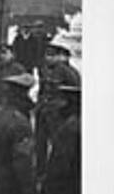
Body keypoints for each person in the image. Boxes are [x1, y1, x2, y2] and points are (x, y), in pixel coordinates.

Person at [35, 39, 82, 178]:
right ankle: (40, 171)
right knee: (39, 143)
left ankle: (57, 172)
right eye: (47, 55)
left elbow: (75, 94)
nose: (48, 58)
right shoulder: (43, 69)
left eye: (51, 55)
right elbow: (42, 89)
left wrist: (66, 112)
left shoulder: (69, 72)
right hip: (44, 111)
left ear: (58, 57)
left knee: (59, 144)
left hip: (59, 113)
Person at [0, 42, 26, 112]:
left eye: (5, 52)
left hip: (12, 107)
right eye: (0, 53)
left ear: (12, 54)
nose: (2, 56)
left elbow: (23, 91)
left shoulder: (18, 69)